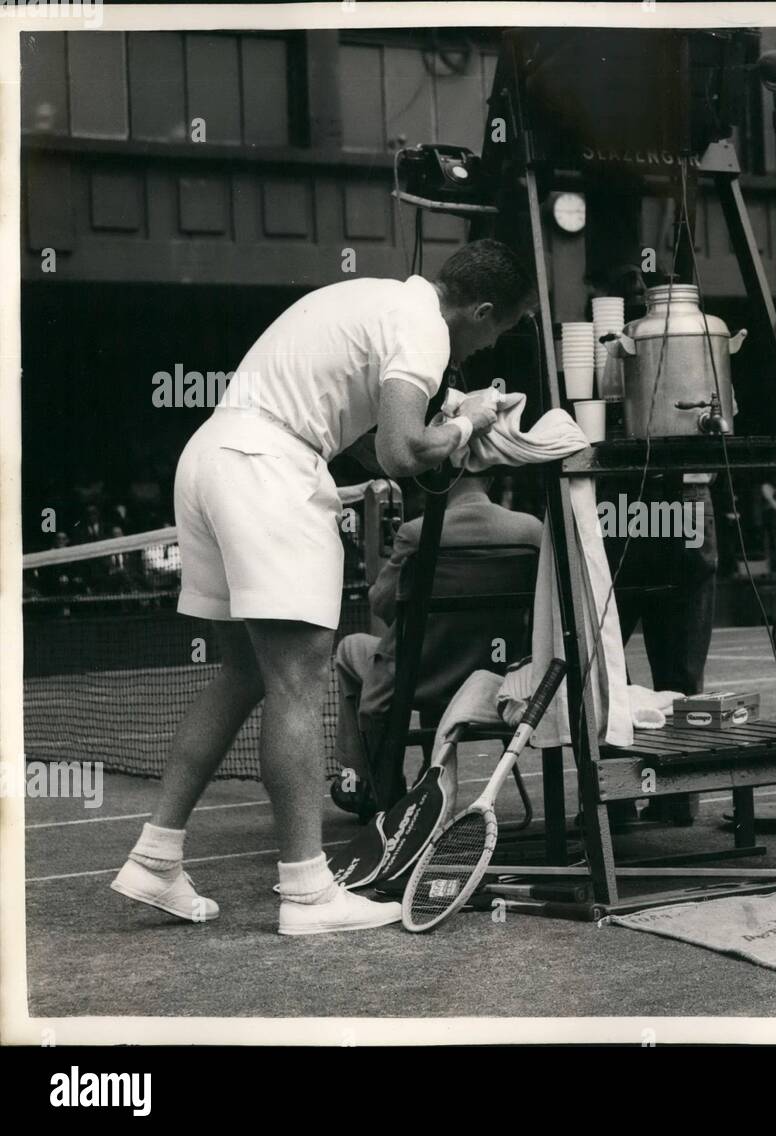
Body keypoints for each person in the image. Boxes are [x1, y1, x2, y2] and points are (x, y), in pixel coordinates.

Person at [111, 239, 535, 935]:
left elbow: (370, 445)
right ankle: (308, 893)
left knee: (244, 674)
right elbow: (401, 452)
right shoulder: (424, 328)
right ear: (483, 310)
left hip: (212, 458)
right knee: (299, 682)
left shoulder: (374, 301)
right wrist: (470, 420)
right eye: (502, 329)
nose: (491, 346)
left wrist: (449, 415)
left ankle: (155, 857)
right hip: (268, 468)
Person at [331, 473, 543, 817]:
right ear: (490, 477)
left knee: (349, 648)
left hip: (420, 675)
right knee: (440, 641)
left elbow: (383, 606)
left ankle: (369, 782)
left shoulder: (416, 533)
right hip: (496, 675)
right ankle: (424, 773)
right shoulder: (530, 530)